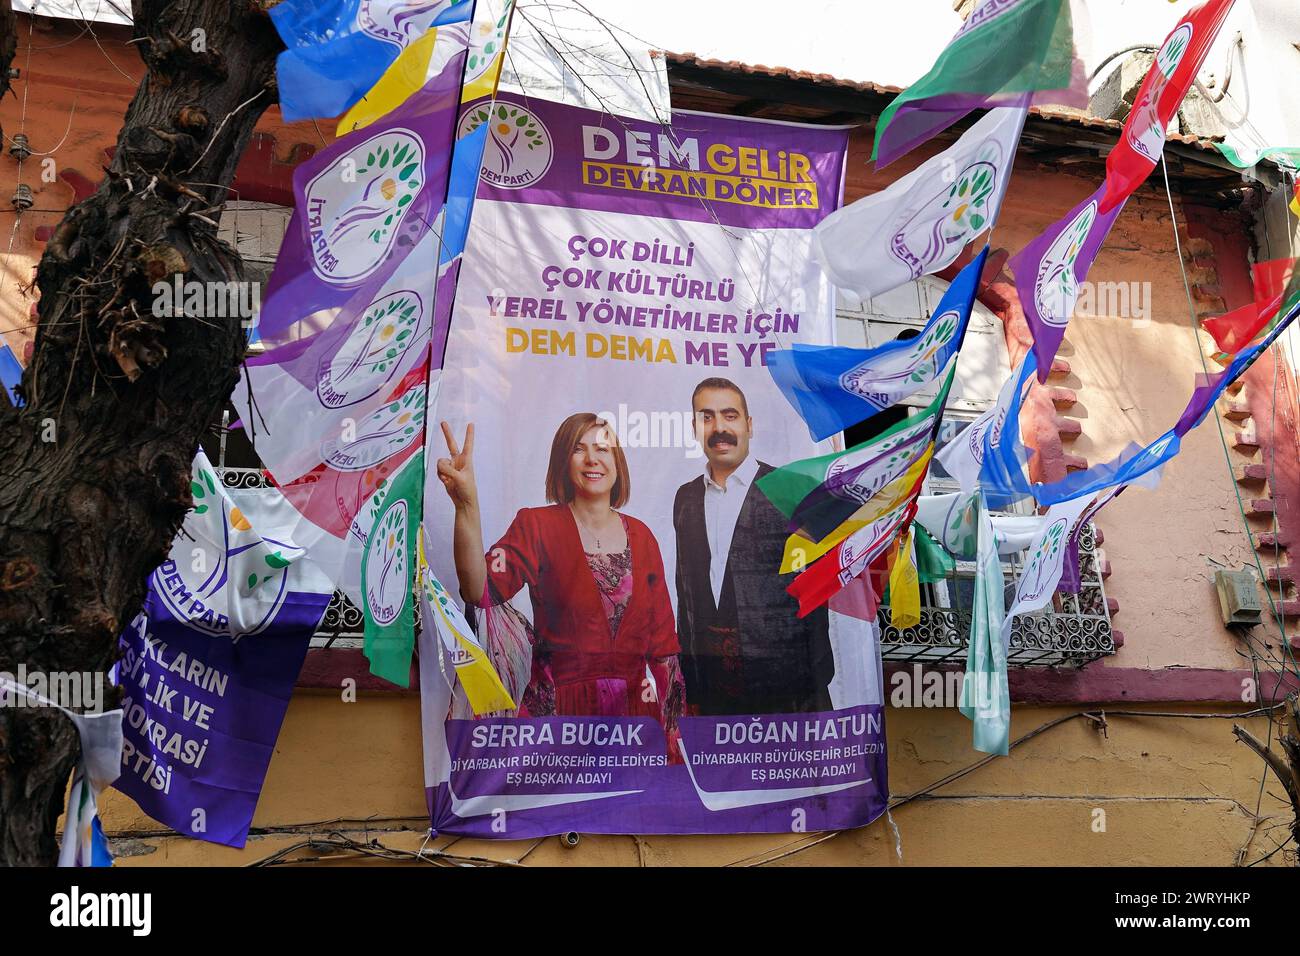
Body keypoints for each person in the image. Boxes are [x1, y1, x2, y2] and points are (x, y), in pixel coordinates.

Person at [436, 413, 683, 730]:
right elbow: (477, 591)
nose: (592, 459)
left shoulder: (643, 536)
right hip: (556, 722)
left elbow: (664, 652)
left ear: (618, 462)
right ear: (563, 462)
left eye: (603, 449)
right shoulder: (537, 526)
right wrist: (466, 506)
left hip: (633, 725)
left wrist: (674, 741)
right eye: (579, 449)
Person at [673, 377, 833, 715]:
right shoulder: (686, 498)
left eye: (730, 416)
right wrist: (690, 682)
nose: (719, 428)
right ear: (694, 427)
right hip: (712, 690)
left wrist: (814, 685)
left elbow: (821, 587)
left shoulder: (791, 488)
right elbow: (685, 592)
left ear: (749, 425)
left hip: (787, 690)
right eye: (707, 417)